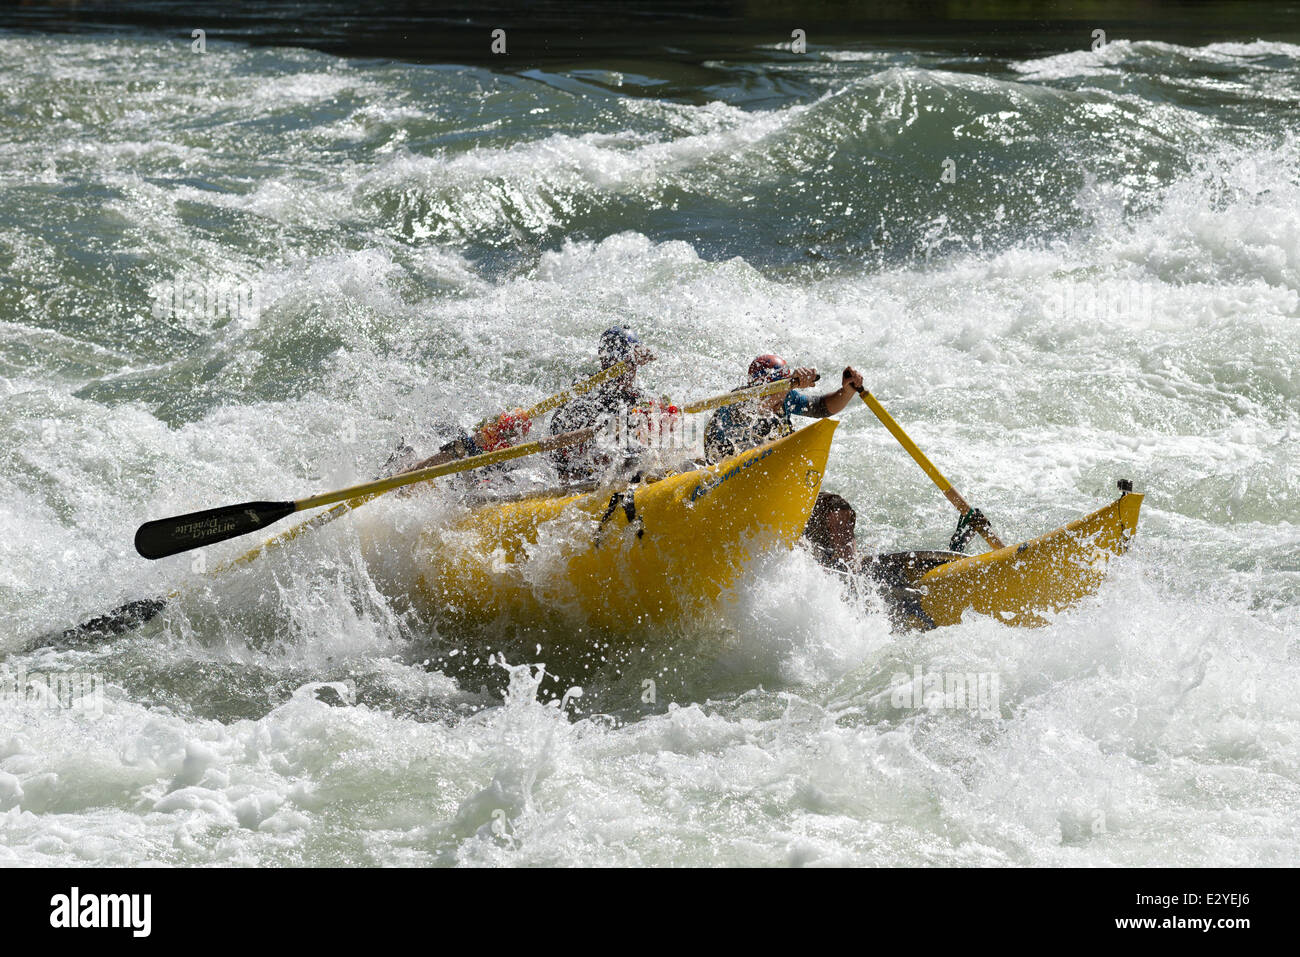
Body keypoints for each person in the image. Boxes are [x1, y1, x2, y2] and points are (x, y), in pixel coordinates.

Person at [548, 325, 662, 482]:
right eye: (617, 362)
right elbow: (563, 431)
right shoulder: (587, 388)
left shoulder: (636, 396)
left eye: (632, 365)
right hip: (574, 467)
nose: (629, 373)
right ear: (604, 362)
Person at [703, 355, 865, 464]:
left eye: (785, 390)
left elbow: (821, 408)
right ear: (758, 388)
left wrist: (847, 391)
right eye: (774, 391)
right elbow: (752, 406)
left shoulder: (786, 397)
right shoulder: (740, 400)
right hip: (722, 466)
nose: (781, 397)